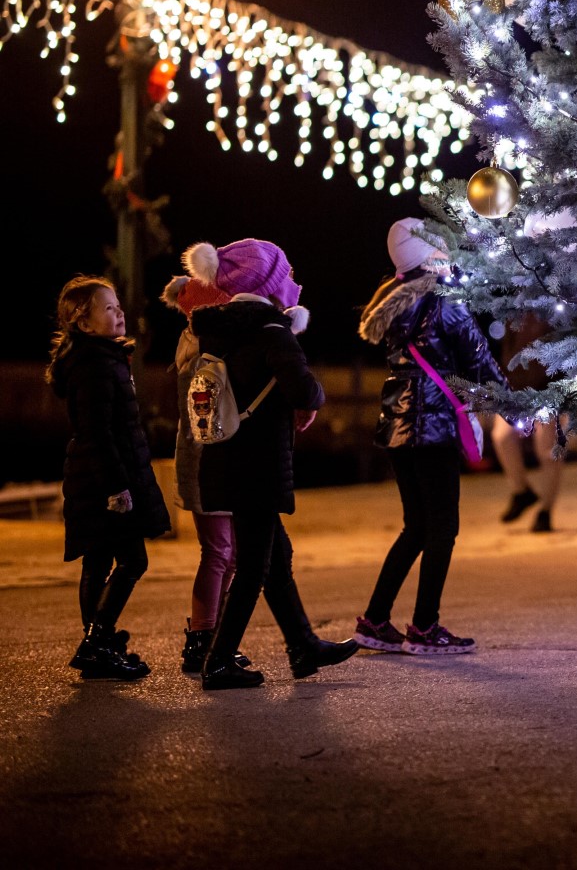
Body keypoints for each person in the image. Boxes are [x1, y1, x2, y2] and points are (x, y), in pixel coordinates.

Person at [188, 239, 358, 690]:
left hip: (225, 458)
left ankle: (302, 645)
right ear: (267, 280)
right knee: (255, 567)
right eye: (284, 273)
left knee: (274, 557)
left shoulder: (217, 330)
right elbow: (303, 390)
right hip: (258, 466)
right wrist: (314, 398)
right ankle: (218, 660)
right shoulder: (271, 331)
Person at [353, 218, 504, 655]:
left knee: (416, 525)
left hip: (397, 424)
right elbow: (479, 361)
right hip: (433, 425)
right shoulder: (444, 303)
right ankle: (424, 626)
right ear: (430, 255)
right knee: (442, 527)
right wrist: (515, 404)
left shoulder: (394, 304)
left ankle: (376, 620)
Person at [47, 276, 170, 681]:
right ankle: (97, 641)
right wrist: (117, 487)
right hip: (104, 480)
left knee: (98, 561)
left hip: (92, 477)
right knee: (133, 560)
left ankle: (97, 644)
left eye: (118, 306)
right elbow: (98, 433)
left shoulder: (100, 358)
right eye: (109, 308)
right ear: (84, 323)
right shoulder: (96, 365)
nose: (119, 313)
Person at [162, 250, 250, 676]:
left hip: (214, 458)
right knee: (219, 552)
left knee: (228, 555)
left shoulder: (199, 345)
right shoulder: (201, 351)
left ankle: (212, 634)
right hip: (207, 459)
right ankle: (201, 639)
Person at [492, 312, 564, 532]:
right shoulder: (515, 309)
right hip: (515, 389)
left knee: (547, 451)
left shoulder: (559, 306)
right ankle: (522, 491)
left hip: (548, 390)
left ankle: (545, 511)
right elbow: (508, 350)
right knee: (501, 436)